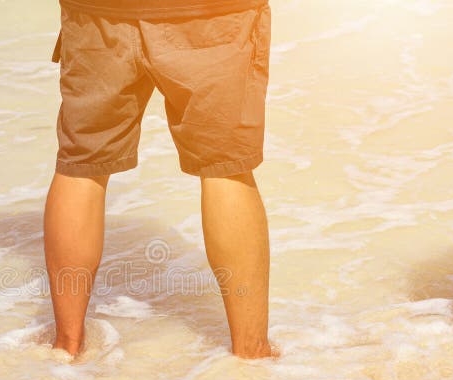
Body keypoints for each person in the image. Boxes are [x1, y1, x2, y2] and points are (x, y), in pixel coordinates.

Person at [43, 0, 280, 359]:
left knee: (82, 165)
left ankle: (66, 347)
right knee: (225, 166)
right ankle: (252, 352)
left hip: (98, 11)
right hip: (211, 13)